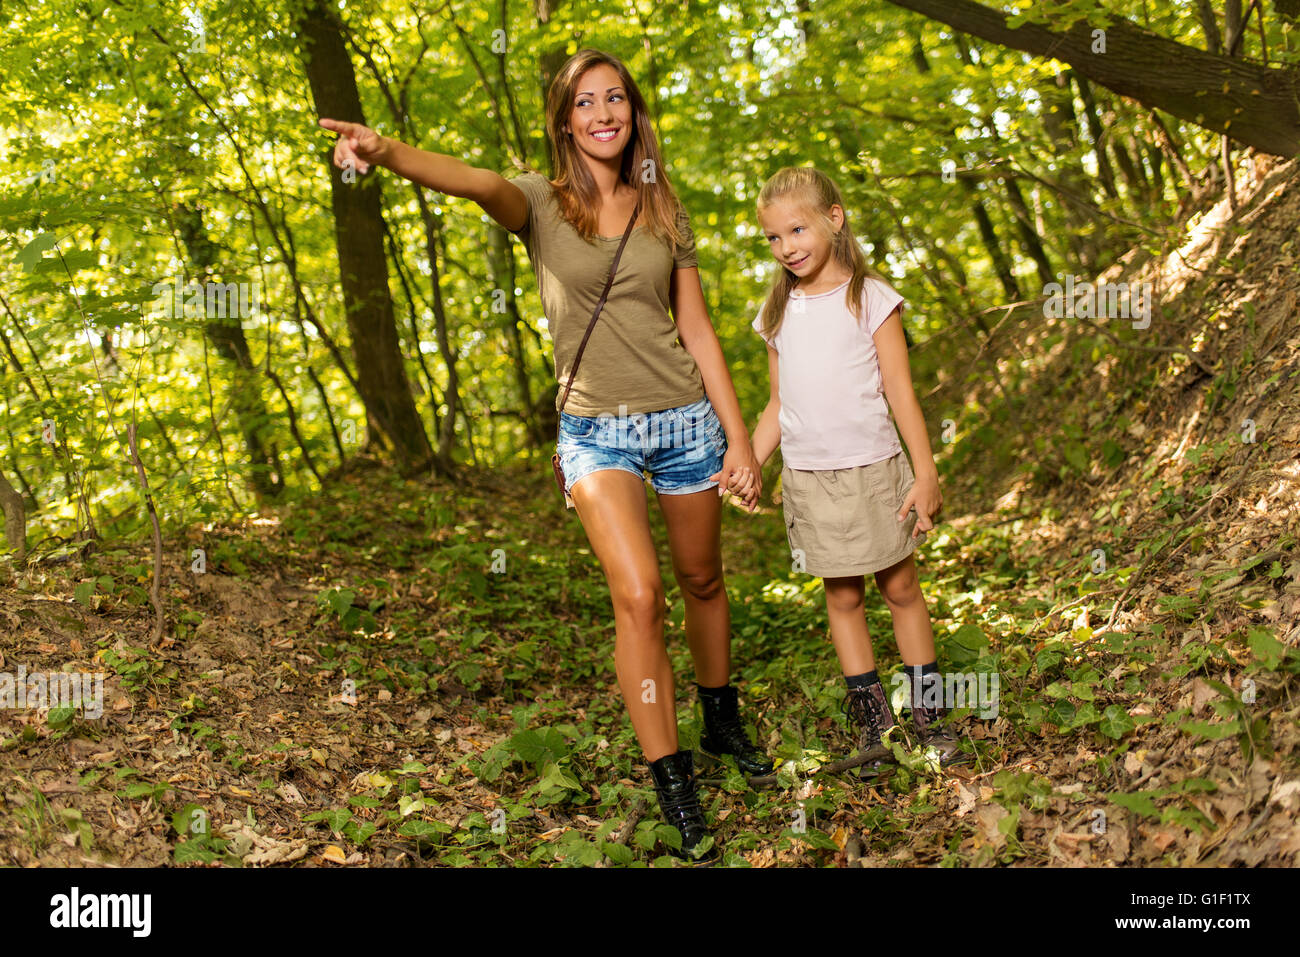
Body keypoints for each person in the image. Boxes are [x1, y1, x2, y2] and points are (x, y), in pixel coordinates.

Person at [319, 49, 771, 862]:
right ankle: (673, 780)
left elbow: (697, 329)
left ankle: (721, 714)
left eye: (617, 100)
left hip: (683, 423)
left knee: (703, 577)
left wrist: (738, 436)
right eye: (586, 103)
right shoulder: (538, 201)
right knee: (640, 594)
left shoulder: (664, 204)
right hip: (595, 431)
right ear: (566, 118)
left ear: (633, 113)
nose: (604, 114)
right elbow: (469, 178)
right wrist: (386, 152)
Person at [731, 166, 969, 779]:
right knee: (842, 596)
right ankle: (875, 732)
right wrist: (751, 462)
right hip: (811, 480)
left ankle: (930, 718)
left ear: (835, 219)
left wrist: (925, 474)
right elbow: (778, 405)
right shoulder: (777, 314)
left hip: (875, 470)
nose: (787, 247)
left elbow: (900, 392)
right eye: (774, 238)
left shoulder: (872, 298)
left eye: (798, 229)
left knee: (900, 589)